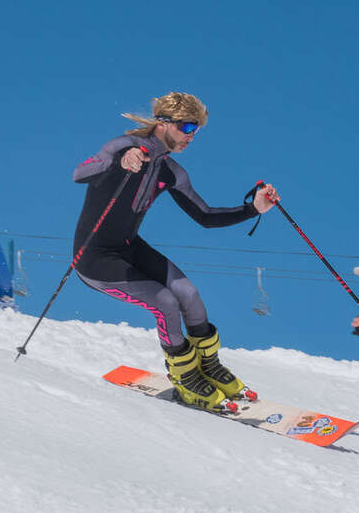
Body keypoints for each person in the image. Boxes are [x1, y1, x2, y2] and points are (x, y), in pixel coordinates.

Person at [72, 92, 280, 412]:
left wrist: (253, 209)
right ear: (163, 123)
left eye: (196, 131)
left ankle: (208, 367)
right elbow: (80, 173)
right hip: (94, 258)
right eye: (186, 127)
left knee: (188, 292)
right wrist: (119, 162)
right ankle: (184, 378)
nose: (191, 137)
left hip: (128, 247)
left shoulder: (172, 172)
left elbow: (205, 216)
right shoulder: (121, 147)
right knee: (165, 301)